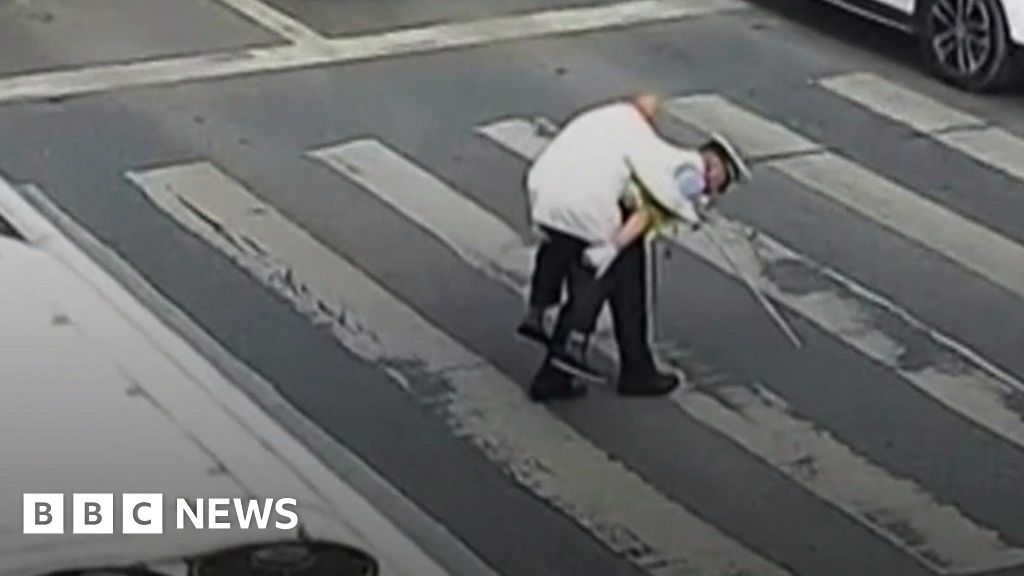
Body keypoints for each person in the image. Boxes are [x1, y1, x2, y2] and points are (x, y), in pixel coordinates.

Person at [516, 93, 750, 401]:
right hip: (588, 207)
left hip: (548, 191)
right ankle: (568, 352)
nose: (717, 192)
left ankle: (632, 365)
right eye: (722, 183)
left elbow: (645, 108)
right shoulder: (681, 166)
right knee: (602, 269)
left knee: (627, 270)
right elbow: (647, 212)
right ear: (714, 166)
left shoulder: (623, 124)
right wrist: (612, 247)